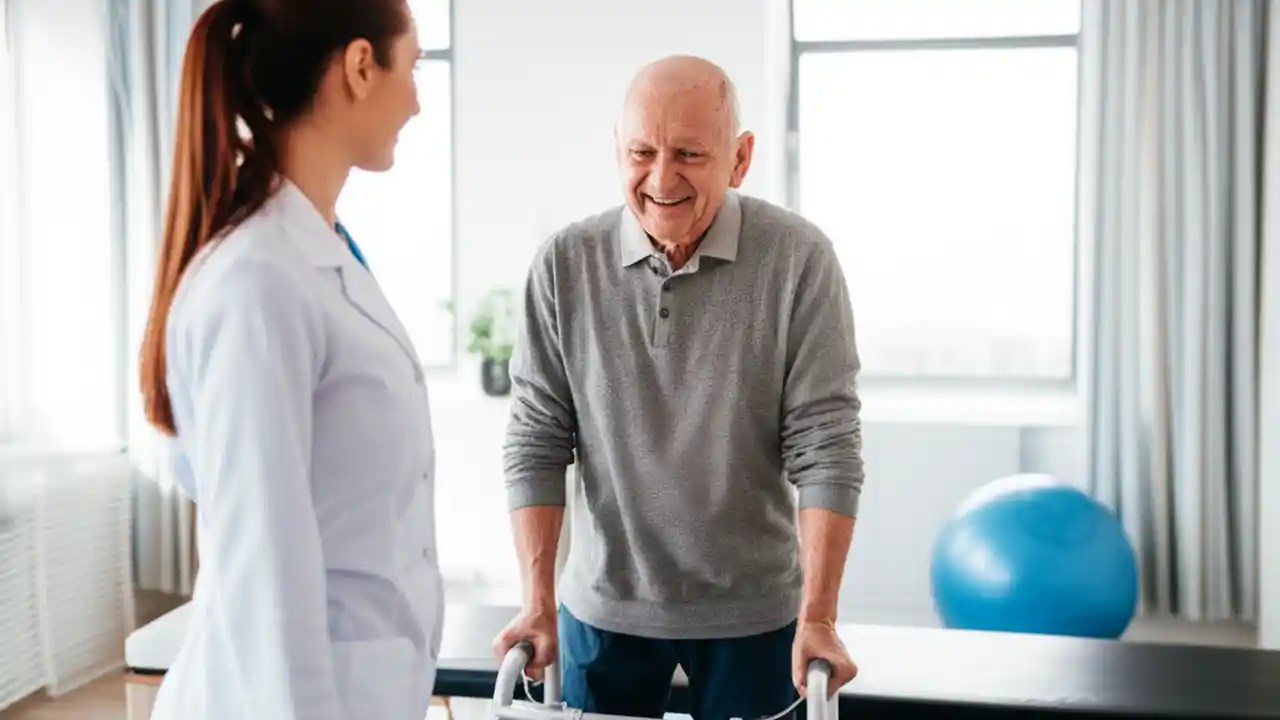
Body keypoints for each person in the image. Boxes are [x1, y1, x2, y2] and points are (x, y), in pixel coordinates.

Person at [494, 55, 863, 719]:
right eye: (642, 151)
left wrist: (822, 616)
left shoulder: (799, 261)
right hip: (605, 606)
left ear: (740, 158)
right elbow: (536, 440)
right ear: (618, 149)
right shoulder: (563, 266)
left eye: (690, 153)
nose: (662, 178)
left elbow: (827, 446)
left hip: (754, 611)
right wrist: (538, 601)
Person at [137, 1, 443, 718]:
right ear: (361, 66)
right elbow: (266, 576)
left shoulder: (318, 248)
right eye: (416, 67)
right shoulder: (258, 279)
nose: (419, 103)